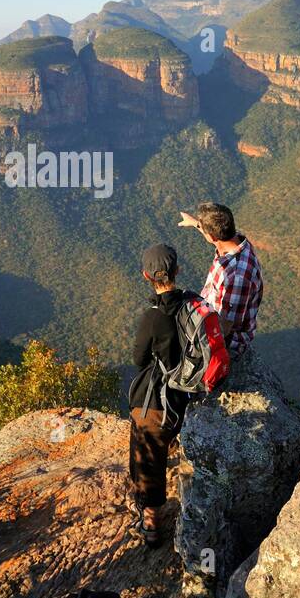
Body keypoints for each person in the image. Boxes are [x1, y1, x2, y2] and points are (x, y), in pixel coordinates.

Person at [127, 243, 195, 548]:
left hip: (159, 402)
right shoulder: (194, 305)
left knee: (147, 460)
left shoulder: (152, 318)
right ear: (177, 271)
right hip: (188, 398)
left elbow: (139, 360)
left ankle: (151, 524)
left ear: (146, 276)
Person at [178, 202, 263, 362]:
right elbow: (215, 233)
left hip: (228, 341)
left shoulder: (237, 276)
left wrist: (194, 342)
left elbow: (225, 326)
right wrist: (195, 223)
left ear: (212, 237)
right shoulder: (236, 241)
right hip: (210, 309)